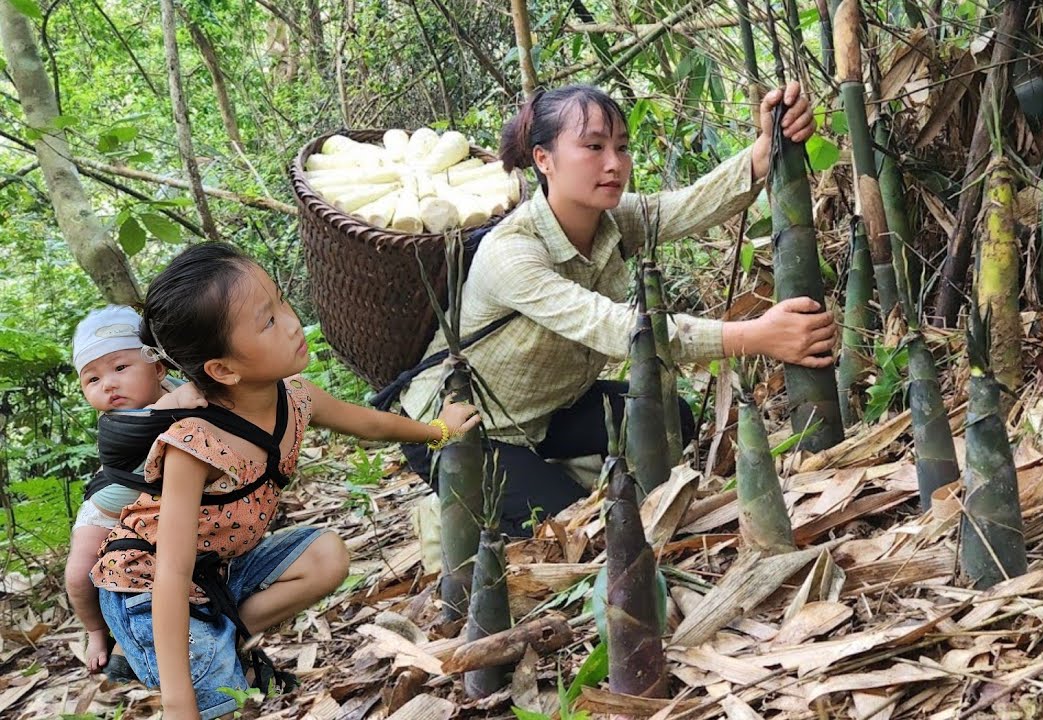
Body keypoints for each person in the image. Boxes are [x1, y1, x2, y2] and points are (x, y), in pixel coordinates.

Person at [398, 81, 835, 536]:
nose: (614, 164)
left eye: (621, 147)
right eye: (593, 146)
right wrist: (754, 336)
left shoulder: (610, 219)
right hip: (461, 428)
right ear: (543, 159)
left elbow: (685, 207)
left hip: (547, 412)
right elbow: (611, 326)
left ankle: (545, 478)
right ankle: (447, 515)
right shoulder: (510, 251)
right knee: (574, 528)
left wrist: (763, 152)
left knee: (671, 419)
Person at [90, 242, 480, 720]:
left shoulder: (295, 397)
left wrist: (439, 429)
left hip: (220, 570)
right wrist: (179, 704)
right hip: (146, 587)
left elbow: (370, 423)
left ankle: (216, 634)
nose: (292, 322)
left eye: (280, 302)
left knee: (325, 555)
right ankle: (164, 654)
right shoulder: (193, 445)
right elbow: (170, 573)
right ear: (223, 369)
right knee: (220, 700)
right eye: (268, 321)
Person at [66, 305, 208, 676]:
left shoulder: (179, 389)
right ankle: (97, 631)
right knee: (79, 575)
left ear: (159, 367)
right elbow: (154, 423)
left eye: (119, 368)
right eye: (92, 379)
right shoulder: (116, 424)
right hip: (107, 510)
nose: (108, 384)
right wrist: (175, 403)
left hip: (157, 509)